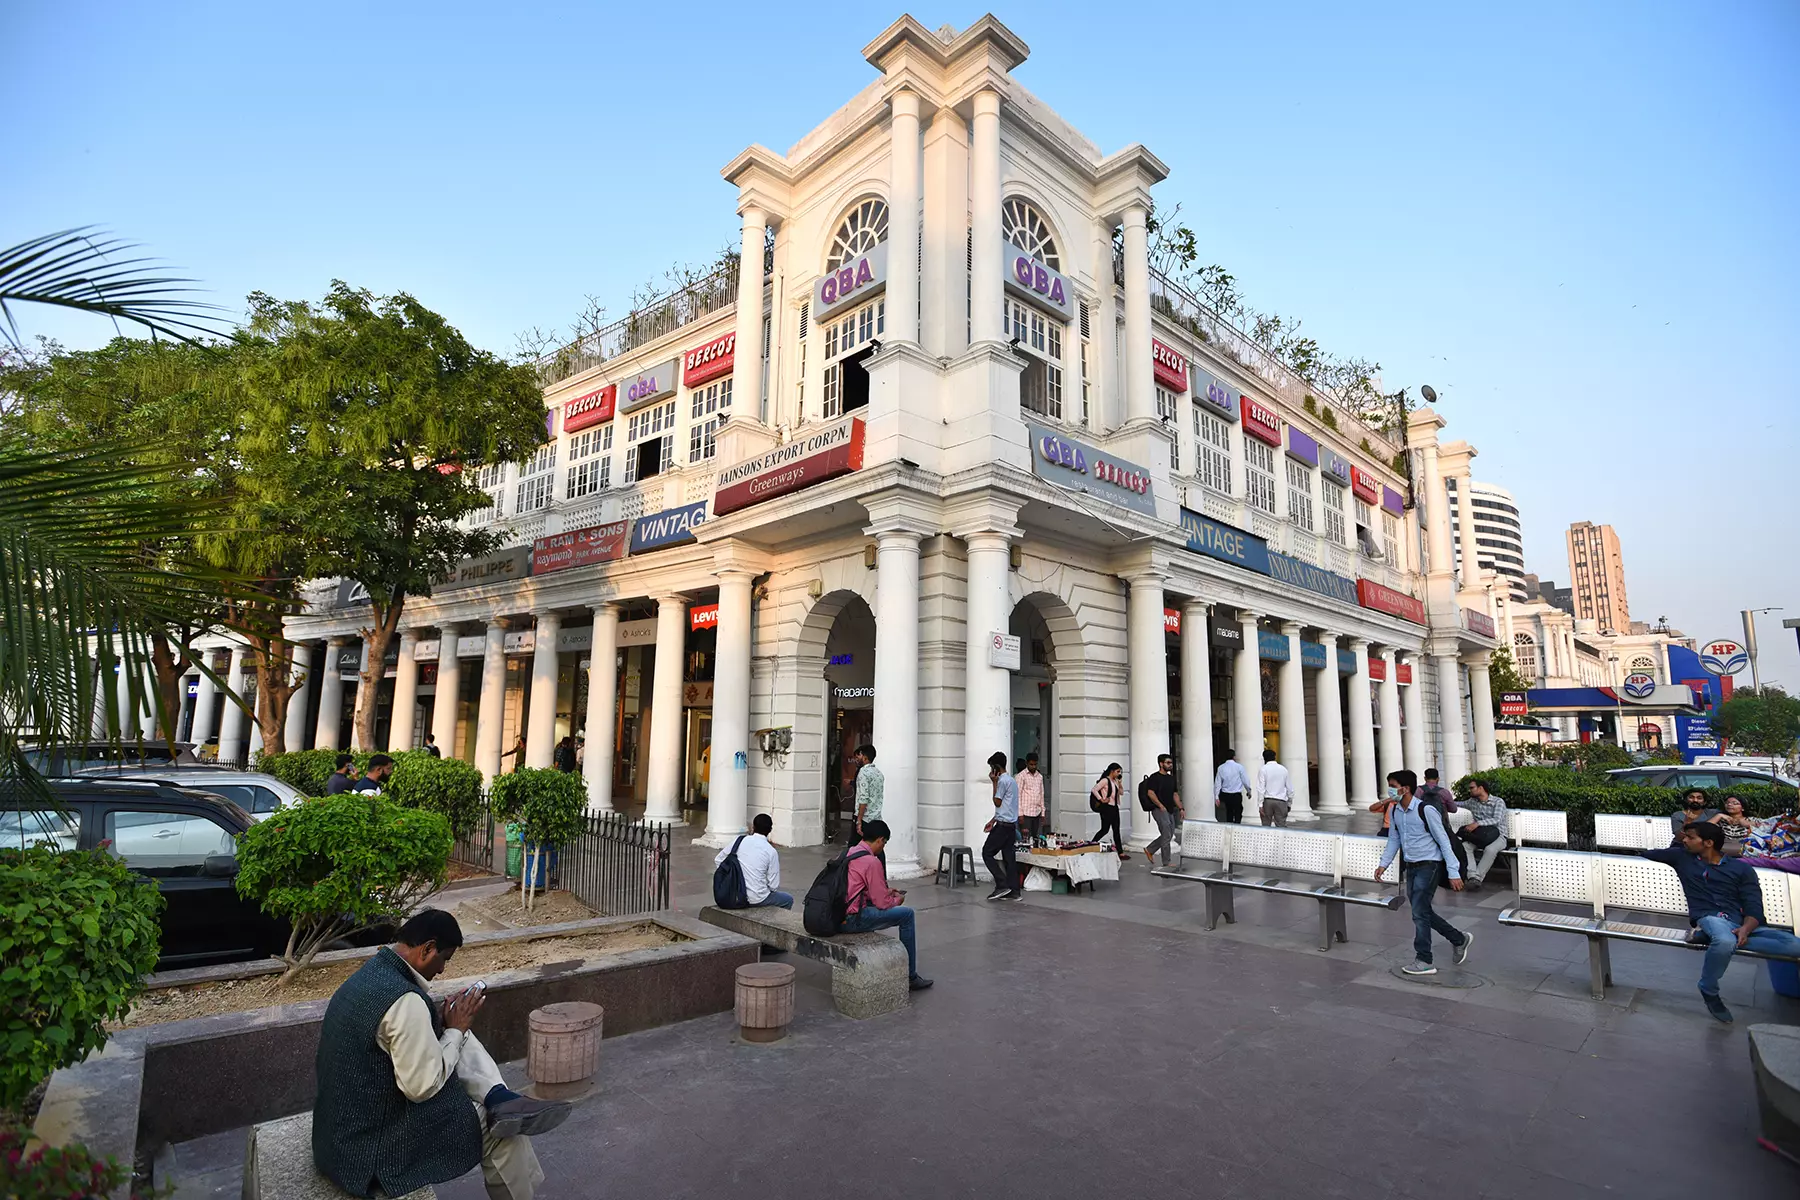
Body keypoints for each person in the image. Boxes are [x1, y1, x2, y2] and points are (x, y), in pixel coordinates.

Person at [312, 909, 567, 1200]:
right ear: (427, 949)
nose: (443, 969)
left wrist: (450, 1028)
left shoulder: (369, 975)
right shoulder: (406, 1001)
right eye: (444, 958)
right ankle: (499, 1105)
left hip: (336, 1139)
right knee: (503, 1131)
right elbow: (421, 1088)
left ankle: (500, 1098)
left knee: (456, 1030)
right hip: (372, 1154)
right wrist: (454, 1031)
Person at [1644, 820, 1800, 1023]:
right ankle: (1708, 989)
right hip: (1709, 916)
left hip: (1742, 923)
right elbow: (1648, 853)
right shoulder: (1682, 858)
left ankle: (1707, 938)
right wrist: (1679, 837)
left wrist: (1745, 928)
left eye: (1691, 838)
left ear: (1708, 843)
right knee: (1725, 940)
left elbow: (1754, 905)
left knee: (1795, 945)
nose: (1686, 841)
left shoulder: (1741, 869)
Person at [1374, 769, 1472, 976]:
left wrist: (1454, 872)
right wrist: (1384, 864)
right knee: (1422, 911)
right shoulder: (1394, 811)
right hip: (1412, 866)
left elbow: (1444, 841)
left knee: (1419, 912)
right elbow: (1394, 839)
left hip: (1430, 865)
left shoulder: (1425, 810)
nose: (1390, 790)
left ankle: (1424, 959)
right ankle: (1458, 939)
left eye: (1393, 786)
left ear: (1405, 788)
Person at [843, 819, 932, 990]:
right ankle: (910, 976)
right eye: (884, 843)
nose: (883, 848)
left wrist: (886, 890)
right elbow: (882, 904)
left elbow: (859, 888)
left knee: (876, 906)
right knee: (907, 914)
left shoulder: (850, 852)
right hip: (853, 918)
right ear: (879, 840)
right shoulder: (872, 861)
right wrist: (897, 899)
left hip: (839, 914)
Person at [714, 813, 790, 908]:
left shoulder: (740, 840)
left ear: (753, 827)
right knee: (788, 899)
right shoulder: (771, 851)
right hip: (757, 898)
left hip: (734, 894)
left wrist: (730, 878)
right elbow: (773, 886)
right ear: (770, 830)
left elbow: (718, 859)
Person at [983, 751, 1022, 900]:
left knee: (987, 852)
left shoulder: (1002, 782)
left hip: (1003, 826)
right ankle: (1014, 891)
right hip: (1010, 825)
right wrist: (993, 820)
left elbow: (997, 802)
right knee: (1009, 858)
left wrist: (994, 782)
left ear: (996, 768)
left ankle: (1001, 884)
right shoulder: (1012, 781)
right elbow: (1007, 806)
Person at [1457, 778, 1509, 890]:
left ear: (1481, 788)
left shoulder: (1498, 802)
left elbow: (1496, 819)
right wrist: (1444, 801)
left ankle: (1477, 878)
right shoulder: (1472, 802)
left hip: (1499, 835)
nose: (1469, 790)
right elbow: (1459, 804)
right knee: (1466, 846)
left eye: (1472, 788)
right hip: (1481, 836)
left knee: (1490, 849)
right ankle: (1471, 876)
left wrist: (1477, 824)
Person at [1140, 753, 1183, 867]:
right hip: (1159, 809)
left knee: (1169, 834)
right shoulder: (1154, 777)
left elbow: (1175, 794)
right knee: (1166, 834)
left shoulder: (1171, 778)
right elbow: (1150, 793)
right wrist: (1160, 805)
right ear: (1161, 764)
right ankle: (1166, 862)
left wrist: (1181, 808)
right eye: (1168, 763)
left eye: (1171, 763)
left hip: (1169, 809)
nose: (1170, 765)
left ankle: (1150, 849)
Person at [1090, 763, 1129, 860]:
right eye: (1118, 771)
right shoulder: (1105, 780)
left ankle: (1120, 852)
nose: (1119, 773)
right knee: (1105, 829)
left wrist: (1120, 783)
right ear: (1112, 771)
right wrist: (1101, 799)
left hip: (1114, 807)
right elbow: (1094, 789)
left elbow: (1121, 793)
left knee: (1116, 830)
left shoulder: (1115, 781)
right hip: (1106, 807)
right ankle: (1092, 844)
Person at [853, 743, 883, 844]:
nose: (858, 758)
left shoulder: (863, 772)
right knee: (873, 846)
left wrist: (859, 820)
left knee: (854, 847)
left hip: (865, 818)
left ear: (865, 757)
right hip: (876, 817)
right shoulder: (879, 773)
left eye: (860, 755)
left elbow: (864, 798)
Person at [1213, 749, 1249, 825]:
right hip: (1236, 794)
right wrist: (1249, 791)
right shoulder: (1239, 767)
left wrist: (1216, 796)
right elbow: (1245, 780)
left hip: (1226, 794)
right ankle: (1237, 826)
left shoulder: (1221, 768)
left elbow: (1218, 783)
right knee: (1238, 812)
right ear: (1234, 757)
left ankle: (1230, 827)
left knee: (1229, 812)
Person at [1017, 752, 1047, 843]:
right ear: (1027, 763)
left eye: (1035, 764)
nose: (1033, 767)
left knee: (1036, 839)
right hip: (1025, 813)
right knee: (1026, 839)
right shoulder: (1021, 776)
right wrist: (1020, 814)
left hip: (1036, 813)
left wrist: (1043, 813)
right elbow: (1018, 795)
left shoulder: (1040, 777)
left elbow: (1041, 794)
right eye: (1031, 764)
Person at [1257, 749, 1291, 827]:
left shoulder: (1263, 769)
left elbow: (1260, 788)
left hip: (1267, 800)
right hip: (1281, 800)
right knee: (1281, 825)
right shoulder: (1283, 769)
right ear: (1275, 757)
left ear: (1264, 758)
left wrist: (1260, 804)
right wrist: (1289, 803)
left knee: (1266, 825)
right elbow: (1290, 788)